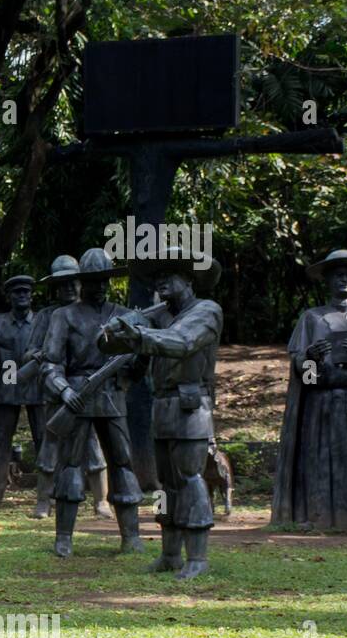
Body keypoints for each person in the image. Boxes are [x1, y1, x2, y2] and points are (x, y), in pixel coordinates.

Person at [102, 247, 223, 578]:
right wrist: (120, 333)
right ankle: (170, 554)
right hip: (163, 407)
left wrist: (140, 335)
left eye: (168, 275)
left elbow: (181, 342)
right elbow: (130, 354)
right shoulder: (159, 317)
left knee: (190, 478)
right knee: (164, 485)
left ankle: (197, 558)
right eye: (157, 277)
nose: (161, 282)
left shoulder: (206, 311)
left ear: (188, 279)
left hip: (190, 406)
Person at [40, 248, 144, 558]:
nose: (99, 287)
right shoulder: (64, 315)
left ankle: (131, 536)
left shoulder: (125, 315)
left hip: (112, 395)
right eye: (92, 281)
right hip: (77, 395)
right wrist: (63, 390)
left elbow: (135, 368)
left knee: (123, 463)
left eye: (103, 281)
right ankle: (64, 538)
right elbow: (50, 363)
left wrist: (140, 357)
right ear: (82, 282)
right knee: (70, 466)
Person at [271, 248, 347, 531]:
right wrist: (310, 358)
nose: (343, 280)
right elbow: (304, 377)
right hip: (320, 403)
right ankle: (319, 516)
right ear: (327, 281)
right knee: (318, 461)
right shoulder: (312, 318)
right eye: (337, 276)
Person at [27, 255, 111, 519]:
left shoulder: (95, 312)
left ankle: (101, 502)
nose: (67, 288)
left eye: (72, 282)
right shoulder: (45, 316)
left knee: (94, 447)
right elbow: (29, 352)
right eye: (61, 284)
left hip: (89, 388)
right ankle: (43, 501)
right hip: (56, 386)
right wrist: (38, 356)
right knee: (50, 445)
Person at [0, 274, 44, 507]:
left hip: (37, 381)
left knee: (43, 440)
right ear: (9, 296)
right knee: (1, 440)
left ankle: (47, 494)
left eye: (26, 291)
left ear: (31, 295)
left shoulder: (41, 322)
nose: (22, 296)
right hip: (8, 375)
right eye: (17, 292)